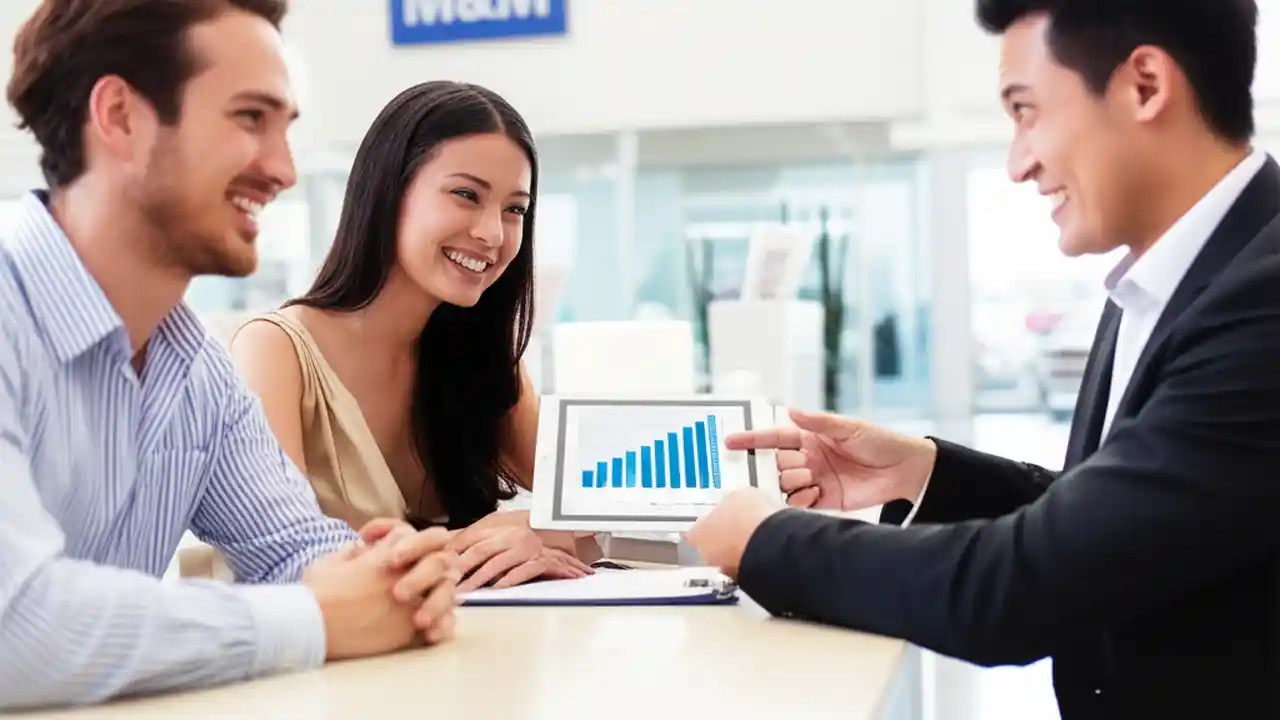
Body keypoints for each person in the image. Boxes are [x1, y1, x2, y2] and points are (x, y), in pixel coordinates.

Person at [688, 0, 1280, 716]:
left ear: (1146, 85)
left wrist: (765, 538)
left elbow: (1028, 586)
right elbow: (1124, 524)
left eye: (1026, 111)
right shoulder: (1164, 282)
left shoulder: (1263, 303)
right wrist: (921, 472)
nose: (1017, 162)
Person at [0, 0, 459, 710]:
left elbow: (292, 550)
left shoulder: (195, 367)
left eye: (286, 129)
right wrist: (319, 617)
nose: (282, 171)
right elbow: (14, 626)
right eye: (251, 119)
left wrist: (391, 576)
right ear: (119, 116)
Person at [230, 81, 595, 592]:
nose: (492, 233)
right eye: (466, 195)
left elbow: (608, 501)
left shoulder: (479, 355)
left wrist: (539, 527)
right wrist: (474, 543)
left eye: (515, 209)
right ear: (389, 192)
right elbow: (280, 557)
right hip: (336, 663)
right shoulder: (275, 350)